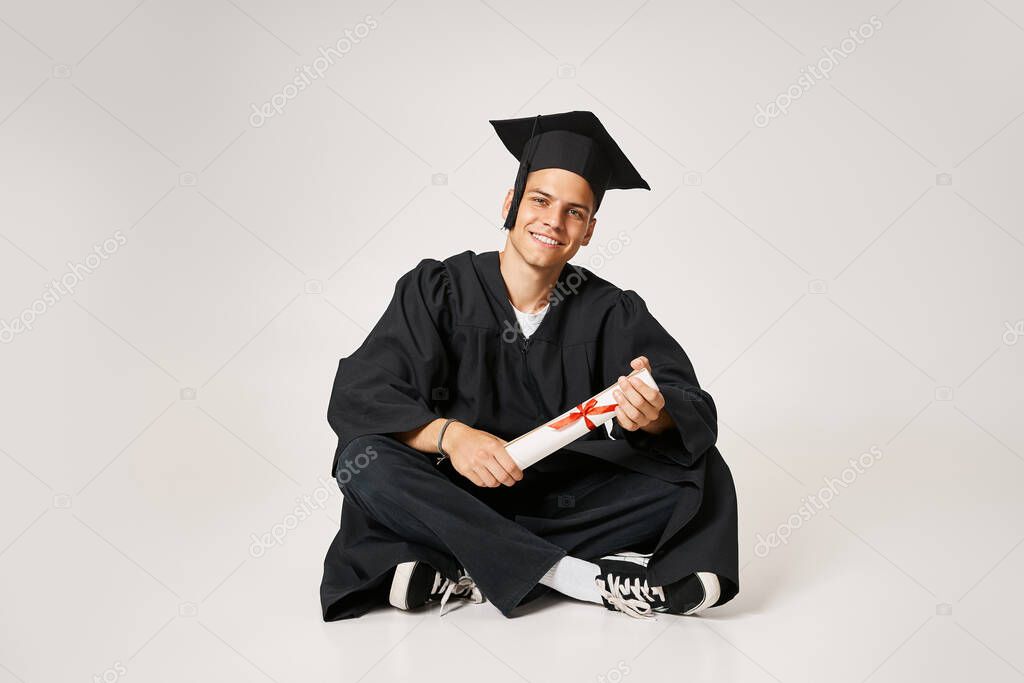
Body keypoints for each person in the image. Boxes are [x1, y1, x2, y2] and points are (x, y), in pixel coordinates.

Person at [320, 110, 738, 620]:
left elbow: (692, 404)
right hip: (452, 489)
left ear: (588, 231)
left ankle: (463, 558)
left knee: (700, 469)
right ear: (510, 204)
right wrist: (452, 436)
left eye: (574, 212)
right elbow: (363, 393)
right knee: (363, 460)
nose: (553, 222)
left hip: (558, 505)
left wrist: (656, 413)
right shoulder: (439, 290)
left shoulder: (610, 310)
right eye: (540, 200)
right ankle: (577, 577)